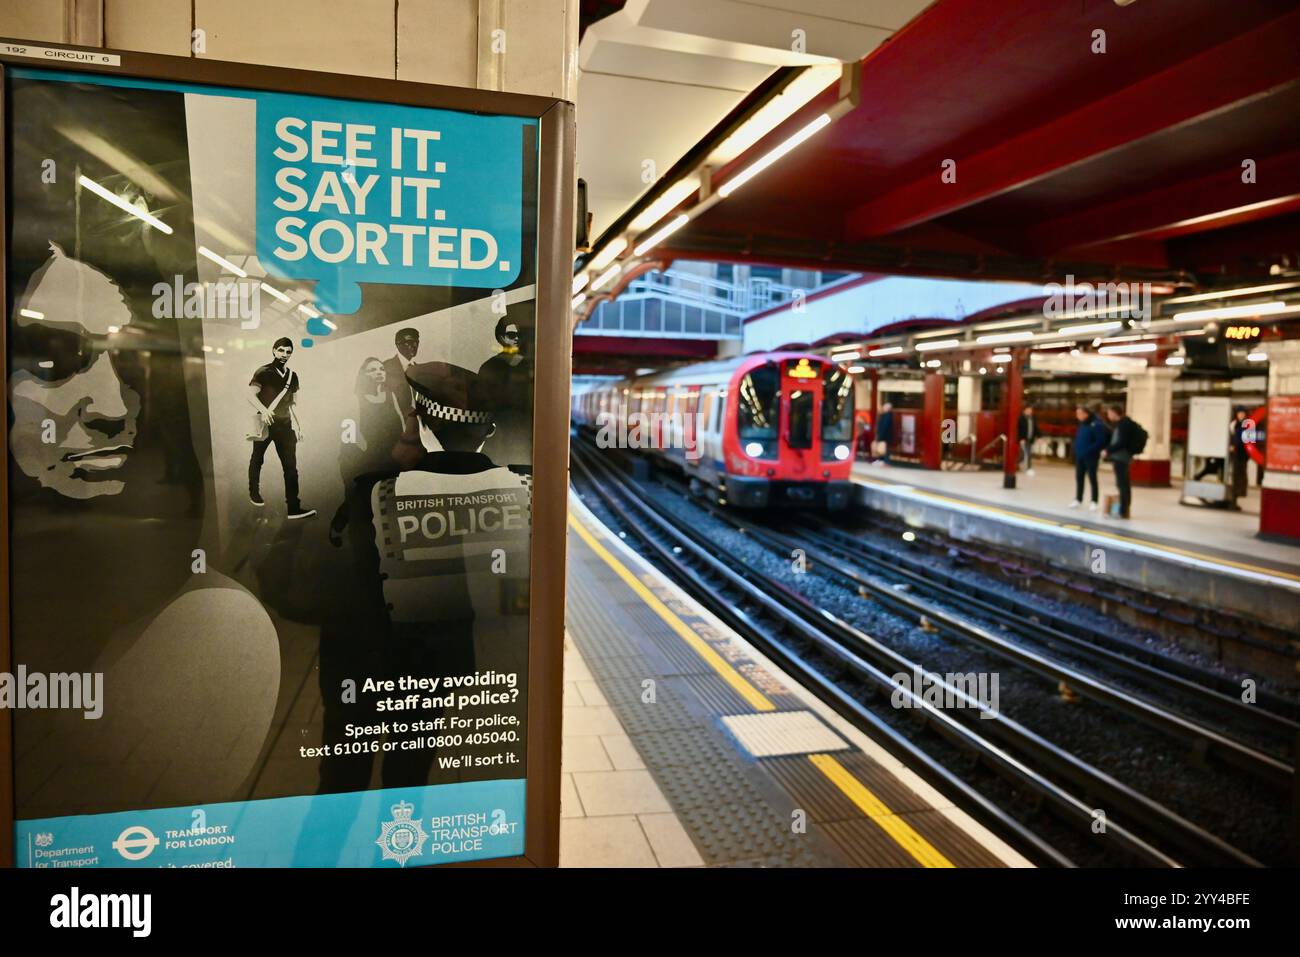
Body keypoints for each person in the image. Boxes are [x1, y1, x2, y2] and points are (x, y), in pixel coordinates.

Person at [248, 337, 316, 519]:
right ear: (274, 351)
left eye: (288, 351)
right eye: (281, 350)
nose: (285, 354)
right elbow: (250, 395)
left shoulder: (293, 376)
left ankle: (293, 507)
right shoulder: (263, 372)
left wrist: (300, 427)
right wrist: (263, 411)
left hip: (285, 426)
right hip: (265, 424)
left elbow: (294, 405)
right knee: (257, 458)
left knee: (291, 467)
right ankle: (254, 493)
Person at [1102, 404, 1139, 519]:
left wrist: (1107, 450)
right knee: (1123, 484)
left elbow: (1121, 442)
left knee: (1122, 484)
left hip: (1121, 458)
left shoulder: (1123, 425)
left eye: (1109, 413)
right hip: (1122, 457)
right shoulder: (1124, 423)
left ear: (1114, 412)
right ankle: (1124, 509)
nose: (1108, 416)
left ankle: (1123, 511)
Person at [1070, 405, 1107, 510]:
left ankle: (1094, 501)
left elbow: (1100, 441)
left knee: (1092, 478)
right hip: (1080, 456)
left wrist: (1088, 450)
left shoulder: (1096, 424)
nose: (1077, 416)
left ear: (1086, 414)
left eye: (1079, 413)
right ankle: (1078, 499)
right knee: (1079, 478)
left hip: (1091, 457)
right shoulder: (1082, 424)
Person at [383, 327, 421, 416]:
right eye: (410, 342)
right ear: (398, 345)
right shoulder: (385, 367)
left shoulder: (419, 368)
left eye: (417, 342)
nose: (415, 345)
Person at [1229, 406, 1250, 502]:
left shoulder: (1249, 424)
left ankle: (1239, 493)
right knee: (1235, 474)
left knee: (1242, 474)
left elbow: (1250, 441)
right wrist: (1231, 446)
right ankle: (1234, 495)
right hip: (1235, 453)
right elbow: (1231, 438)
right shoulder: (1233, 424)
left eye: (1242, 413)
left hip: (1244, 454)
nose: (1241, 415)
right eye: (1239, 413)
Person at [1018, 404, 1039, 476]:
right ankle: (1018, 464)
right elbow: (1019, 429)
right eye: (1028, 410)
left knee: (1029, 454)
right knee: (1022, 454)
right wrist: (1021, 438)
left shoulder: (1032, 418)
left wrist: (1039, 437)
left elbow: (1036, 428)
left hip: (1030, 439)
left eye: (1031, 410)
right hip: (1023, 439)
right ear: (1025, 410)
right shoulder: (1021, 418)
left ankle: (1029, 468)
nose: (1030, 411)